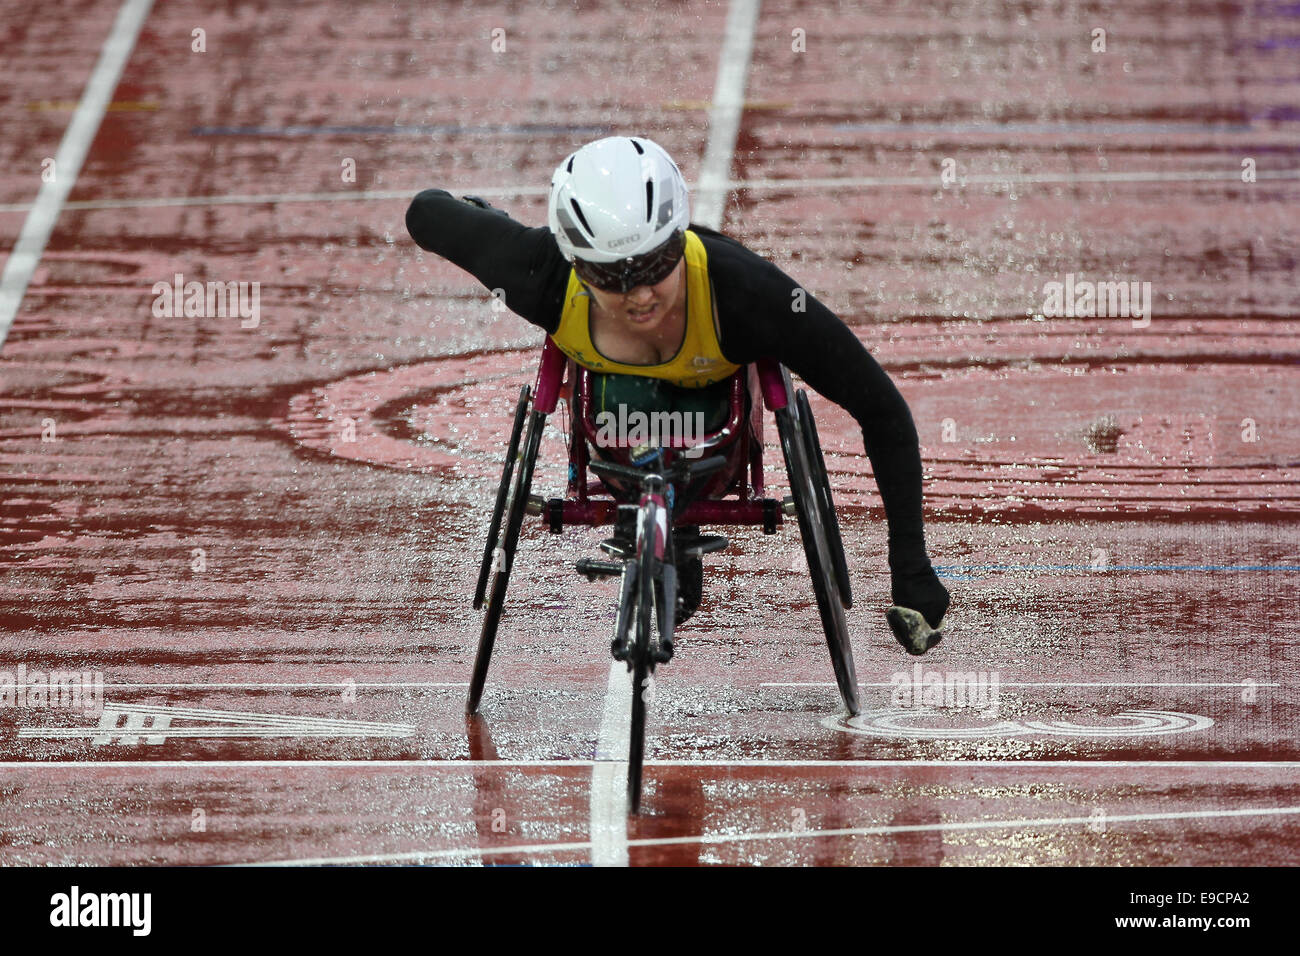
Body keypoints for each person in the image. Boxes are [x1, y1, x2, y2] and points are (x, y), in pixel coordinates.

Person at [405, 135, 950, 653]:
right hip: (619, 425)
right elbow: (425, 212)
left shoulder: (748, 294)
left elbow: (881, 409)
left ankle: (676, 522)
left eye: (654, 266)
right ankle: (661, 521)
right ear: (576, 262)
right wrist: (488, 227)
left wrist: (911, 569)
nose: (640, 294)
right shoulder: (540, 274)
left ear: (675, 239)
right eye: (613, 276)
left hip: (717, 429)